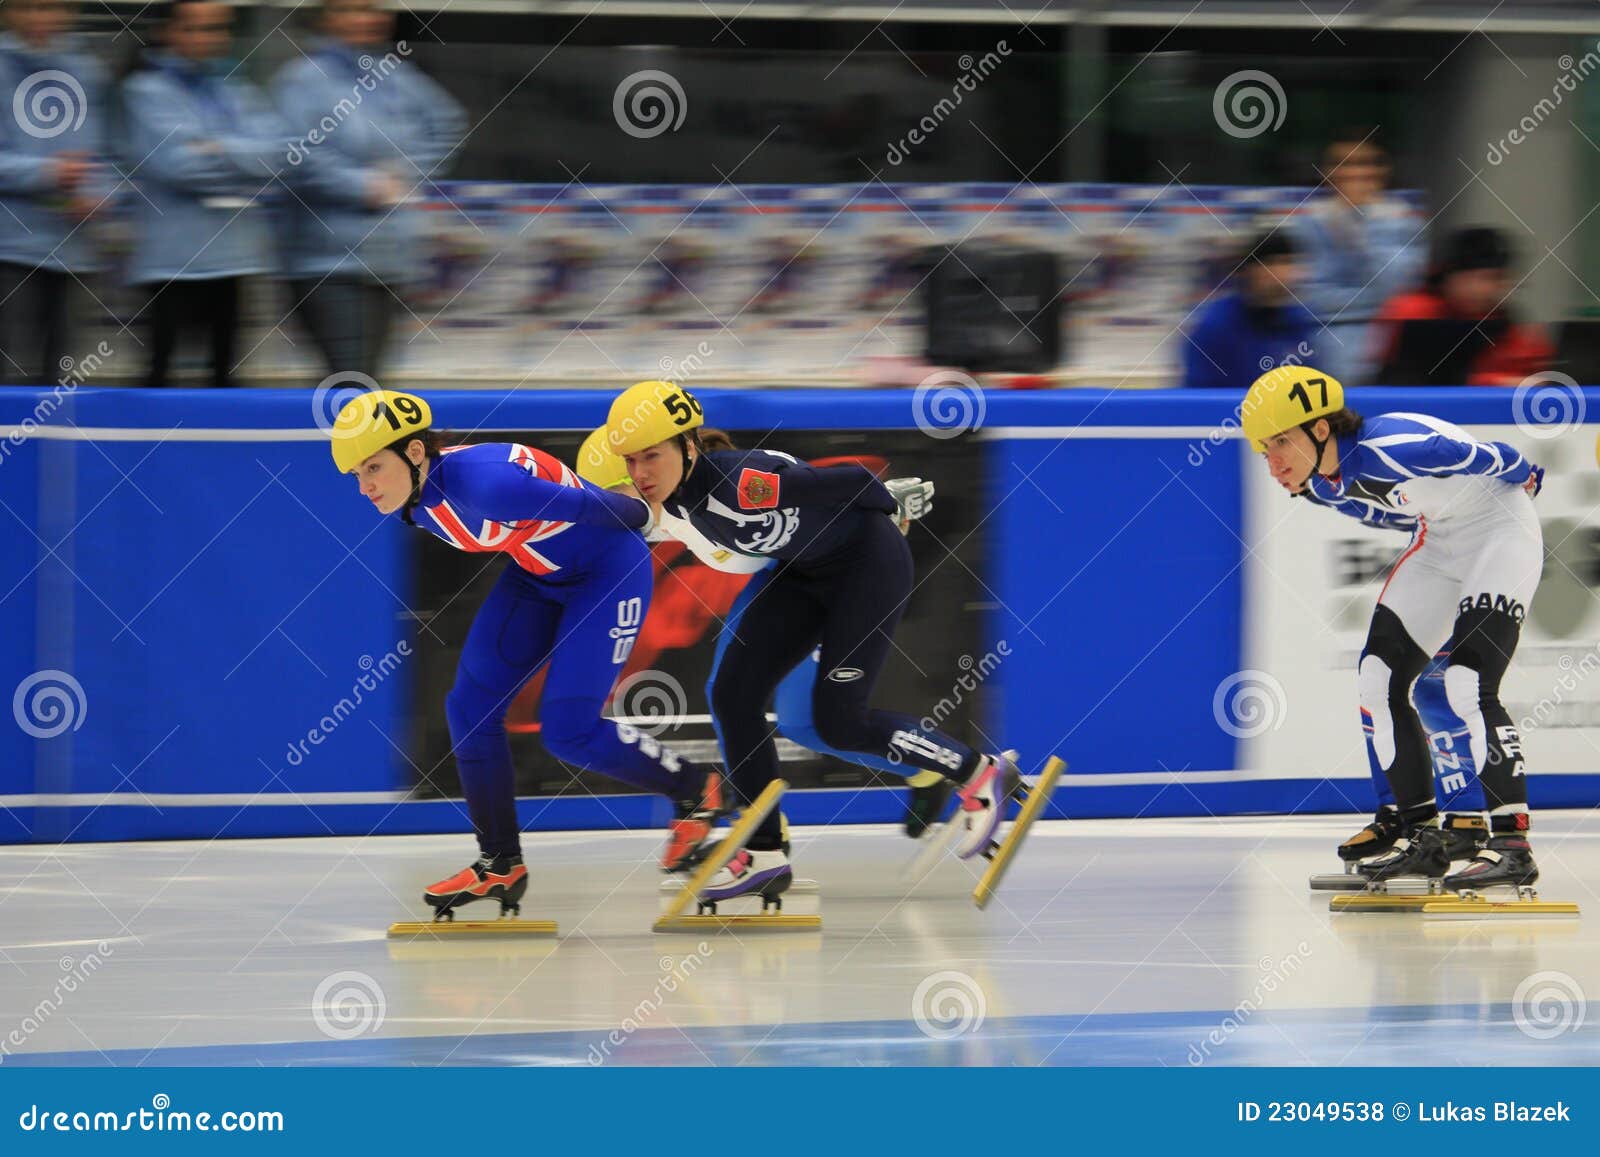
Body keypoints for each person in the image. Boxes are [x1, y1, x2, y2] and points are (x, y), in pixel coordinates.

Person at [604, 380, 1019, 905]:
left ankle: (978, 773)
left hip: (868, 568)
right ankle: (764, 852)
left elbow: (848, 479)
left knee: (837, 722)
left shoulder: (742, 484)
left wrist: (887, 508)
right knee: (733, 696)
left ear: (686, 448)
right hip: (802, 574)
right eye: (630, 462)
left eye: (651, 458)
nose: (640, 475)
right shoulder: (672, 499)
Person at [329, 389, 723, 918]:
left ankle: (696, 789)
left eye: (373, 467)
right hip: (537, 574)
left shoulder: (490, 486)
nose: (365, 486)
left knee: (568, 731)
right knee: (468, 712)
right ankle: (500, 864)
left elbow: (593, 504)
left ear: (416, 453)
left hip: (607, 572)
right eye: (356, 474)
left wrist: (647, 513)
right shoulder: (415, 502)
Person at [575, 427, 954, 848]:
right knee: (739, 701)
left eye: (612, 500)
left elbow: (812, 487)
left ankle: (926, 765)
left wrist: (886, 505)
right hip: (777, 578)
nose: (609, 517)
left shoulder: (716, 486)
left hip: (815, 575)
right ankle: (766, 828)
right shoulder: (653, 511)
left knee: (805, 724)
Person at [1242, 365, 1545, 889]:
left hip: (1501, 530)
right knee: (1377, 679)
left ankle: (1513, 844)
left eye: (1281, 443)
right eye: (1263, 449)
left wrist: (1525, 471)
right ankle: (1419, 833)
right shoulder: (1323, 485)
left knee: (1466, 682)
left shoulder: (1394, 445)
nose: (1272, 463)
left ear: (1321, 429)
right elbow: (1387, 512)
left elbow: (1491, 455)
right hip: (1441, 542)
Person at [273, 0, 465, 379]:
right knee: (351, 383)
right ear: (328, 16)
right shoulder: (302, 79)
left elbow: (448, 124)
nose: (369, 19)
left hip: (389, 257)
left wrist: (406, 174)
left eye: (375, 8)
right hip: (328, 263)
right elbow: (295, 155)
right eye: (353, 9)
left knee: (370, 383)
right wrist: (364, 186)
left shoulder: (397, 77)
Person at [119, 1, 286, 387]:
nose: (209, 39)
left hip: (233, 258)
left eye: (216, 29)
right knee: (159, 380)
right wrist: (241, 155)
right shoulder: (144, 91)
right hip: (170, 261)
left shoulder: (238, 88)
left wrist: (214, 148)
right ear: (168, 32)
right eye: (195, 29)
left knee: (224, 384)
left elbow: (277, 155)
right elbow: (174, 165)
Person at [0, 0, 110, 385]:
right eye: (28, 8)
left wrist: (99, 192)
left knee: (61, 378)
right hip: (11, 250)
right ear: (9, 13)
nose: (39, 19)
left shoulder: (86, 70)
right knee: (10, 372)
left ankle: (52, 445)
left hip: (72, 250)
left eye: (49, 8)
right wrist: (49, 173)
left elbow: (105, 155)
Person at [1291, 131, 1425, 385]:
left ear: (1382, 171)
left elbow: (1398, 291)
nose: (1356, 174)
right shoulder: (1306, 223)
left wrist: (1366, 224)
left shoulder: (1403, 220)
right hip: (1322, 345)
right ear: (1327, 172)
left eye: (1365, 164)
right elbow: (1307, 299)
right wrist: (1371, 302)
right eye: (1345, 165)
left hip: (1390, 346)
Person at [1371, 226, 1552, 386]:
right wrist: (1491, 383)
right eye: (1470, 278)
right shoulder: (1412, 310)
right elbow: (1409, 378)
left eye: (1493, 278)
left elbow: (1535, 377)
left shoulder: (1509, 325)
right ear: (1445, 279)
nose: (1480, 289)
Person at [1180, 230, 1319, 390]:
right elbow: (1200, 396)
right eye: (1271, 263)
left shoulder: (1299, 321)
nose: (1283, 274)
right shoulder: (1215, 326)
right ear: (1249, 271)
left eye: (1288, 263)